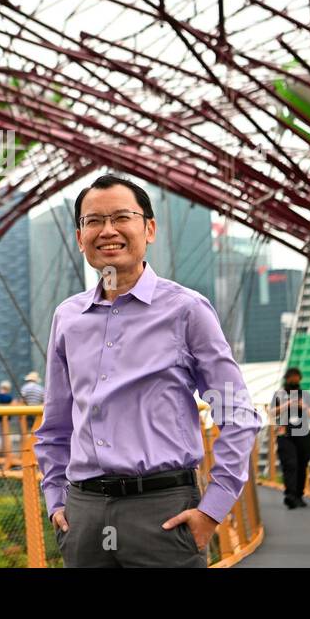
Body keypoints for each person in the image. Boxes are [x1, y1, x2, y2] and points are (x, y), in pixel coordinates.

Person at [35, 175, 262, 568]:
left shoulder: (186, 310)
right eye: (93, 221)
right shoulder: (67, 317)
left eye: (122, 217)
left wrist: (212, 510)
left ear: (149, 228)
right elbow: (55, 424)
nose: (107, 231)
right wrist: (56, 500)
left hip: (163, 512)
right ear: (79, 236)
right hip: (83, 515)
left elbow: (238, 413)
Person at [269, 367, 310, 508]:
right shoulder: (279, 394)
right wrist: (287, 405)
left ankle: (299, 494)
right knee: (289, 464)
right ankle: (290, 495)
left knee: (302, 464)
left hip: (303, 433)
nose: (294, 380)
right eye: (291, 377)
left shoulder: (305, 394)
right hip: (285, 434)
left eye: (296, 377)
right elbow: (272, 413)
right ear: (287, 378)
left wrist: (303, 407)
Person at [19, 371, 45, 436]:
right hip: (37, 412)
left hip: (26, 412)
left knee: (27, 430)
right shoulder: (40, 388)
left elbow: (22, 400)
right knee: (36, 429)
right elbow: (43, 400)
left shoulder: (25, 387)